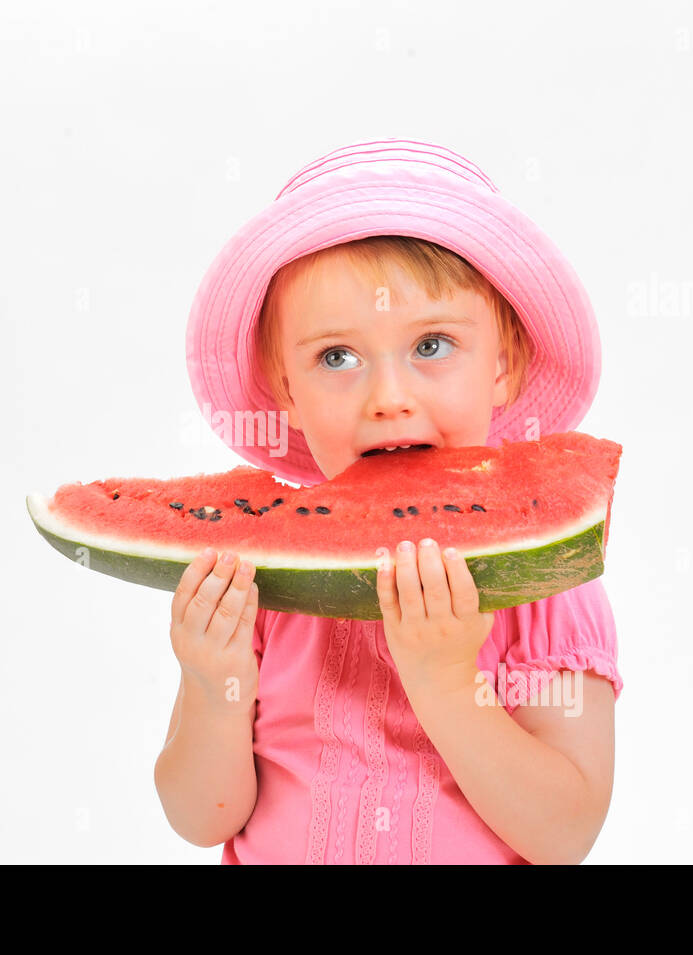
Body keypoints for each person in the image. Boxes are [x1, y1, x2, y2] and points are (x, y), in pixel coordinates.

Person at [155, 139, 623, 864]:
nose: (389, 399)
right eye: (336, 357)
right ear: (285, 387)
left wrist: (445, 681)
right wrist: (211, 682)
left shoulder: (544, 581)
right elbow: (199, 814)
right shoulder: (264, 577)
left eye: (432, 345)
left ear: (504, 362)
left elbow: (565, 833)